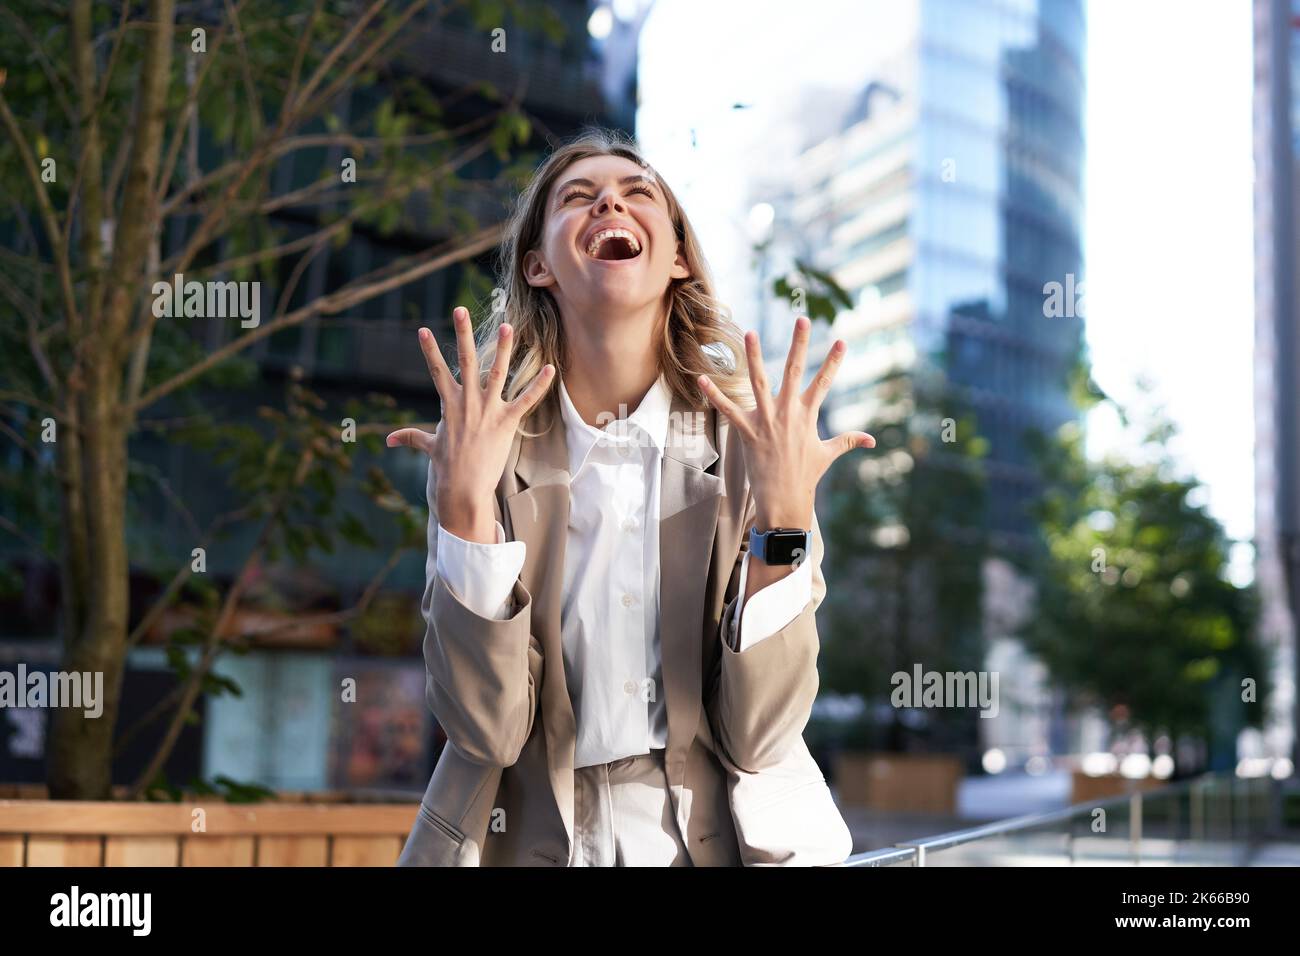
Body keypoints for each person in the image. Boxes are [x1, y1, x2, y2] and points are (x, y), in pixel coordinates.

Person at [386, 128, 874, 866]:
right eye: (577, 198)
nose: (609, 199)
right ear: (540, 266)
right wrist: (462, 511)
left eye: (637, 191)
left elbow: (761, 733)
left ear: (677, 258)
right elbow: (487, 730)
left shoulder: (753, 450)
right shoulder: (483, 455)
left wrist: (783, 523)